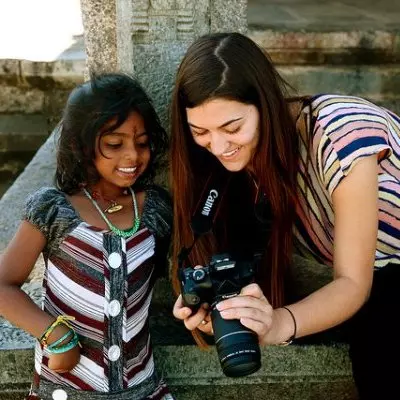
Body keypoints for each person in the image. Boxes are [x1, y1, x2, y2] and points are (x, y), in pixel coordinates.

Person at [170, 32, 400, 399]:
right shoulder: (233, 172)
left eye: (232, 128)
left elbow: (353, 283)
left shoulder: (339, 135)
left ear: (266, 104)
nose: (219, 146)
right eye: (200, 132)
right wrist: (216, 306)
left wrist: (279, 324)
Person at [0, 73, 174, 400]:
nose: (132, 157)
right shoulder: (54, 211)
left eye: (141, 143)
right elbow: (2, 284)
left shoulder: (156, 211)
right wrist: (56, 335)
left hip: (141, 388)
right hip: (66, 388)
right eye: (114, 144)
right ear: (81, 146)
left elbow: (175, 276)